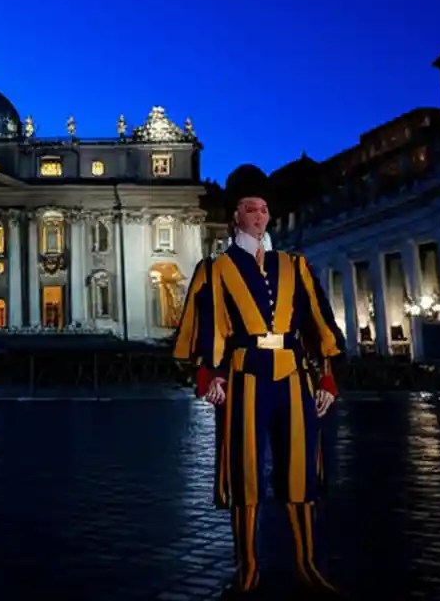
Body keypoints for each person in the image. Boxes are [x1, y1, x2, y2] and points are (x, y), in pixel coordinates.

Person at [173, 163, 345, 599]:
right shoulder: (214, 269)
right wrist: (208, 373)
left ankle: (306, 564)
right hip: (245, 374)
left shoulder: (295, 265)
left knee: (302, 470)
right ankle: (248, 567)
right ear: (236, 216)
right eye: (251, 209)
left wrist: (326, 378)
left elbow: (317, 322)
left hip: (292, 373)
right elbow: (206, 323)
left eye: (264, 209)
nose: (259, 216)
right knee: (245, 471)